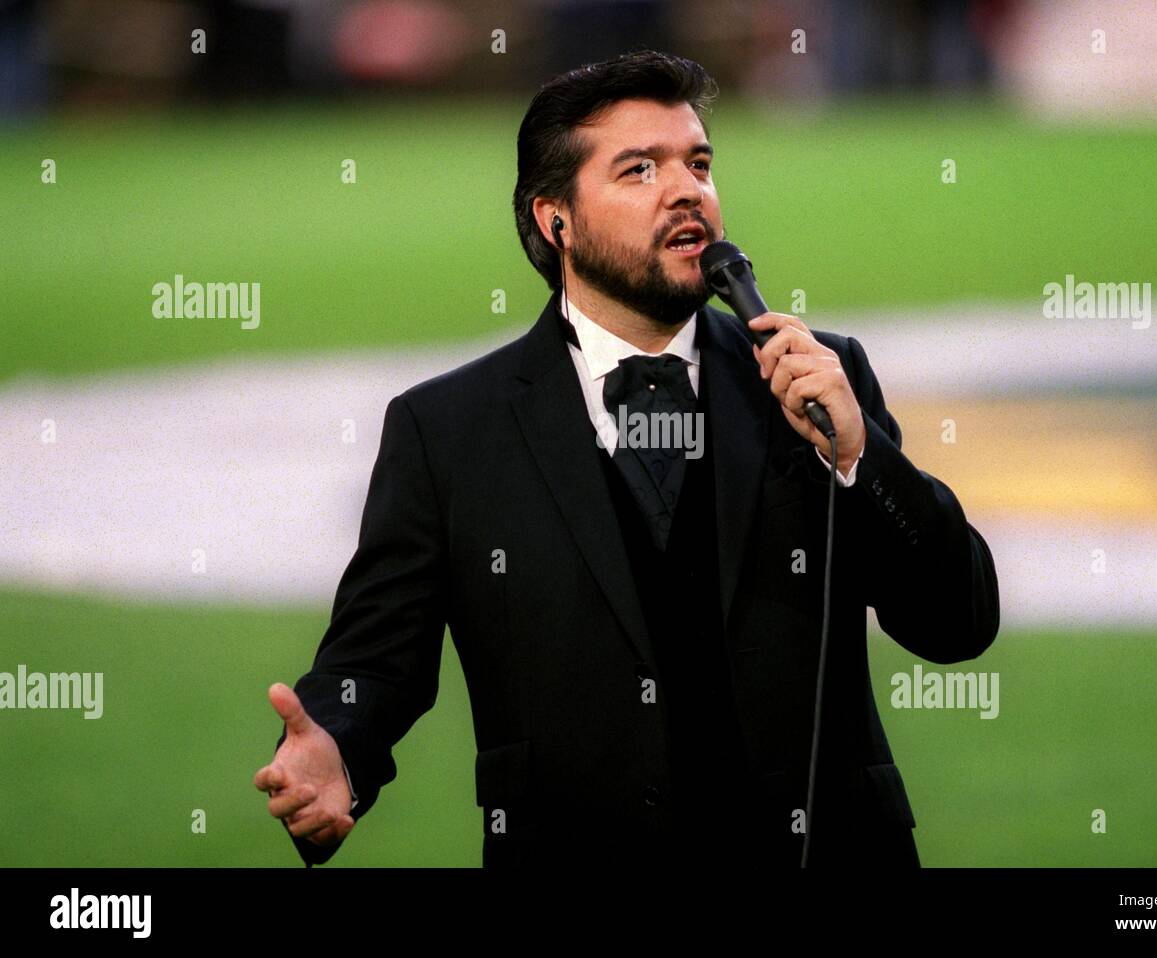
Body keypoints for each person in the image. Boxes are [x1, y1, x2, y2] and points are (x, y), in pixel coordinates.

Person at [253, 50, 999, 869]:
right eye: (639, 169)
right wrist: (337, 745)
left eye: (699, 163)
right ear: (555, 220)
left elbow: (956, 623)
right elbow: (376, 659)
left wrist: (861, 456)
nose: (688, 191)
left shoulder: (821, 380)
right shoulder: (449, 430)